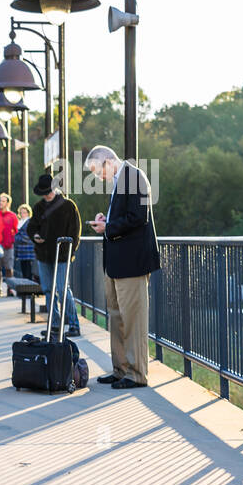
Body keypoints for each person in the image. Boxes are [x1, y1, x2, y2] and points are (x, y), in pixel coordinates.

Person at [85, 145, 159, 387]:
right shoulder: (120, 180)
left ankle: (137, 374)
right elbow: (124, 217)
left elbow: (139, 217)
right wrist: (106, 222)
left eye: (98, 172)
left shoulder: (135, 176)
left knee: (133, 319)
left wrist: (109, 228)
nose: (98, 177)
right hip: (117, 262)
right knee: (116, 317)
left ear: (109, 161)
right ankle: (120, 369)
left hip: (132, 262)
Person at [28, 173, 82, 337]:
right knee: (48, 290)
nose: (47, 195)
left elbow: (75, 231)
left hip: (62, 255)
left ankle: (73, 325)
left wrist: (70, 252)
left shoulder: (68, 205)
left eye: (48, 191)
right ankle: (55, 324)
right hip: (44, 255)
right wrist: (35, 236)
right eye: (44, 193)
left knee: (62, 289)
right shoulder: (38, 207)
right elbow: (31, 227)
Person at [0, 192, 19, 296]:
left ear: (8, 203)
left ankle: (10, 289)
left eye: (3, 201)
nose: (1, 202)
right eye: (0, 200)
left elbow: (16, 230)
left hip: (9, 246)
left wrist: (12, 240)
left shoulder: (13, 216)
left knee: (9, 268)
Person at [13, 203, 37, 281]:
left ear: (28, 213)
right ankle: (24, 287)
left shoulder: (29, 222)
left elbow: (28, 236)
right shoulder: (20, 222)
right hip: (21, 251)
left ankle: (29, 287)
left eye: (24, 212)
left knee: (28, 270)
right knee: (23, 269)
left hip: (28, 250)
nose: (23, 214)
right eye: (21, 212)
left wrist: (16, 237)